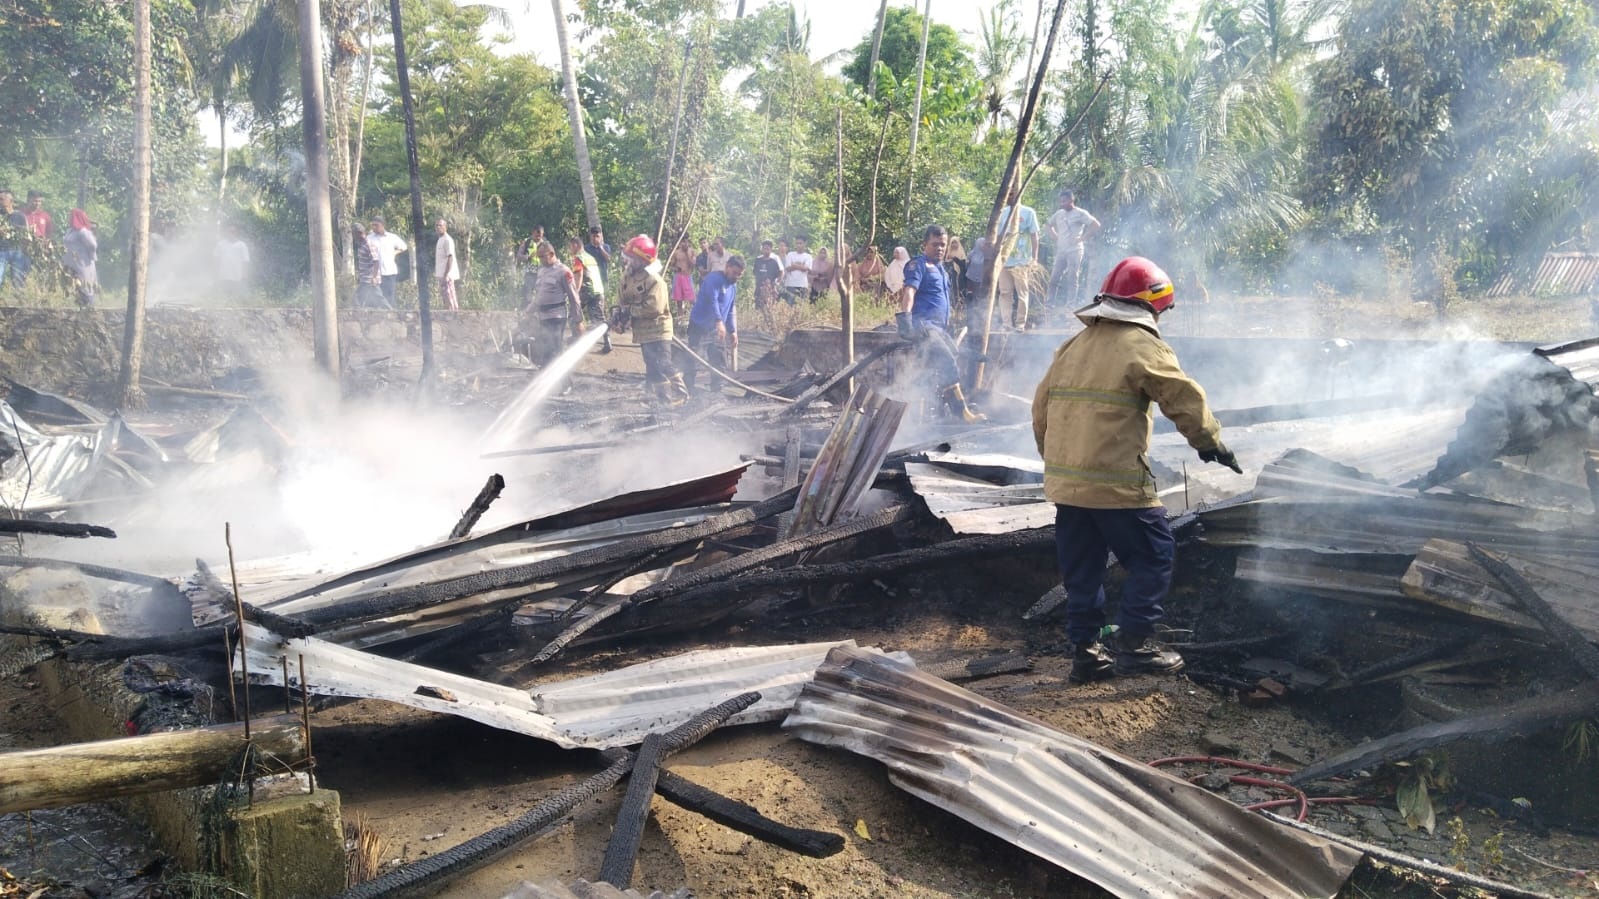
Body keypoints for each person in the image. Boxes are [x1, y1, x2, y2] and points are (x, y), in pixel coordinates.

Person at [1031, 256, 1241, 684]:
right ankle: (1137, 648)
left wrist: (1059, 467)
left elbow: (1040, 412)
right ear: (1151, 305)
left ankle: (1086, 655)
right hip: (1118, 487)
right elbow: (1185, 398)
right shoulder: (1143, 346)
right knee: (1154, 556)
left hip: (1068, 488)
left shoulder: (1073, 347)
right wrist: (1210, 444)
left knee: (1082, 572)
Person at [895, 225, 984, 424]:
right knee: (947, 362)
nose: (940, 248)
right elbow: (909, 291)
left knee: (951, 356)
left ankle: (939, 412)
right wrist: (905, 319)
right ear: (924, 244)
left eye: (943, 245)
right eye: (935, 244)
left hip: (939, 328)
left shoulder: (942, 270)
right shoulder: (917, 265)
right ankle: (961, 412)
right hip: (923, 325)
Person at [616, 234, 688, 406]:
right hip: (642, 330)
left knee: (663, 362)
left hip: (658, 329)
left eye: (631, 259)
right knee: (652, 365)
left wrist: (630, 311)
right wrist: (619, 315)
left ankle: (682, 394)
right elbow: (622, 298)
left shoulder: (655, 280)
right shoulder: (628, 276)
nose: (628, 262)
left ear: (642, 260)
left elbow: (653, 308)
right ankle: (663, 399)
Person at [516, 240, 581, 367]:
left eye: (542, 256)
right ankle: (554, 383)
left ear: (551, 254)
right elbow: (539, 297)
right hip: (543, 318)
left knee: (554, 352)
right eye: (538, 257)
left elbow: (574, 298)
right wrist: (529, 311)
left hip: (557, 317)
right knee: (545, 353)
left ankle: (563, 384)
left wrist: (578, 321)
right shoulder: (542, 271)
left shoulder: (564, 272)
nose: (539, 259)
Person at [683, 254, 742, 393]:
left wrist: (733, 331)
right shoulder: (713, 279)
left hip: (716, 329)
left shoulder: (733, 287)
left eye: (739, 275)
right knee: (693, 356)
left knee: (719, 359)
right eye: (734, 273)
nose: (736, 277)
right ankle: (687, 388)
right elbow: (712, 301)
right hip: (699, 324)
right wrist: (719, 321)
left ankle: (716, 391)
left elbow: (730, 309)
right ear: (727, 267)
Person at [1047, 189, 1101, 312]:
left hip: (1075, 250)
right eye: (1060, 201)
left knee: (1072, 278)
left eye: (1064, 201)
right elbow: (1048, 225)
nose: (1062, 203)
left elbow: (1096, 224)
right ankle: (1049, 305)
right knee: (1054, 277)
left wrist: (1081, 239)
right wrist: (1056, 237)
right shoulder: (1059, 213)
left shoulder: (1080, 213)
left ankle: (1070, 306)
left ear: (1072, 200)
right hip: (1061, 251)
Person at [996, 187, 1040, 329]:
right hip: (1004, 260)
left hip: (1022, 261)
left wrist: (1034, 258)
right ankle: (1006, 324)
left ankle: (1020, 324)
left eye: (1012, 194)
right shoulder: (1002, 214)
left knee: (1022, 293)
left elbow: (1034, 235)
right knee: (1004, 292)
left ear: (1019, 194)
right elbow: (998, 236)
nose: (1009, 197)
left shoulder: (1028, 212)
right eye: (1007, 194)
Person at [567, 235, 612, 353]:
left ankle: (576, 340)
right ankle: (608, 342)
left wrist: (574, 293)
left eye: (570, 246)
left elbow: (579, 276)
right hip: (598, 291)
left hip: (587, 291)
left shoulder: (578, 258)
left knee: (573, 315)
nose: (570, 249)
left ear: (576, 245)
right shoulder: (590, 257)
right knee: (599, 319)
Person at [368, 216, 407, 307]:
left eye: (376, 225)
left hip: (389, 271)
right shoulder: (370, 238)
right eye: (373, 225)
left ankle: (392, 315)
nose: (374, 227)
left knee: (389, 295)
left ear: (383, 225)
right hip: (375, 273)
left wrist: (395, 252)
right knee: (377, 297)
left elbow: (404, 246)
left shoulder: (391, 237)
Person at [62, 209, 96, 308]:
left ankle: (89, 308)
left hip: (82, 263)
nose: (68, 218)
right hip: (71, 264)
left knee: (85, 286)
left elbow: (92, 245)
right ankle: (80, 309)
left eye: (70, 216)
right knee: (75, 286)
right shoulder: (70, 231)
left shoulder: (83, 232)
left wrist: (90, 256)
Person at [213, 223, 251, 300]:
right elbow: (216, 259)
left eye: (233, 231)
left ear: (236, 232)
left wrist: (244, 275)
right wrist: (215, 273)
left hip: (237, 277)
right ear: (226, 232)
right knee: (223, 298)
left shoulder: (242, 245)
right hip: (223, 276)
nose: (231, 233)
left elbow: (245, 261)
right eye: (229, 231)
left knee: (237, 298)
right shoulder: (220, 244)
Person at [352, 224, 385, 308]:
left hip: (369, 279)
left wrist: (373, 278)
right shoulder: (361, 244)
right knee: (377, 298)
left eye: (354, 234)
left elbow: (376, 262)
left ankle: (394, 313)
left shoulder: (368, 244)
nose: (353, 236)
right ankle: (392, 312)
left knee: (358, 297)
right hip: (365, 278)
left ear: (359, 233)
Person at [0, 191, 28, 287]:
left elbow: (26, 234)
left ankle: (19, 300)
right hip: (1, 251)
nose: (0, 201)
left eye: (2, 199)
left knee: (17, 280)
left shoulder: (20, 216)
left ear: (10, 201)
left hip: (17, 252)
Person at [434, 218, 460, 311]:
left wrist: (446, 274)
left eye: (440, 225)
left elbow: (450, 257)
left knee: (450, 296)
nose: (438, 227)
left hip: (447, 275)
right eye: (436, 225)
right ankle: (448, 315)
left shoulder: (447, 240)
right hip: (441, 274)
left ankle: (454, 315)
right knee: (445, 297)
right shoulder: (440, 240)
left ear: (445, 227)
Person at [584, 226, 613, 299]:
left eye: (597, 236)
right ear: (590, 236)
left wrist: (600, 247)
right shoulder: (586, 248)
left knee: (606, 297)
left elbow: (608, 259)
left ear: (601, 236)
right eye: (594, 236)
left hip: (603, 277)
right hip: (591, 279)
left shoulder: (606, 247)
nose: (595, 238)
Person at [751, 239, 782, 309]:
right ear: (762, 249)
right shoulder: (758, 260)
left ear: (771, 249)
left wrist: (777, 283)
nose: (766, 250)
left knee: (769, 309)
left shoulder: (774, 262)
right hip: (759, 289)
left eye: (768, 248)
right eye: (764, 248)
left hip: (770, 290)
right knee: (758, 309)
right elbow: (754, 272)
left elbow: (780, 273)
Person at [782, 236, 813, 304]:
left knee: (801, 307)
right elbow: (788, 268)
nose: (798, 245)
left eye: (800, 243)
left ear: (805, 244)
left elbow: (806, 269)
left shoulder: (808, 256)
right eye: (797, 243)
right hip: (790, 284)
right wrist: (801, 266)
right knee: (789, 306)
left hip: (802, 285)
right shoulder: (790, 254)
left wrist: (794, 265)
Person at [669, 239, 696, 313]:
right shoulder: (676, 252)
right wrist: (675, 268)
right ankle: (680, 319)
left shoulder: (692, 251)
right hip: (678, 277)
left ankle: (696, 315)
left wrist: (687, 253)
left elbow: (693, 264)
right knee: (679, 300)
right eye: (683, 241)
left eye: (686, 242)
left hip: (687, 276)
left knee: (692, 299)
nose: (684, 243)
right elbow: (671, 265)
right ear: (680, 242)